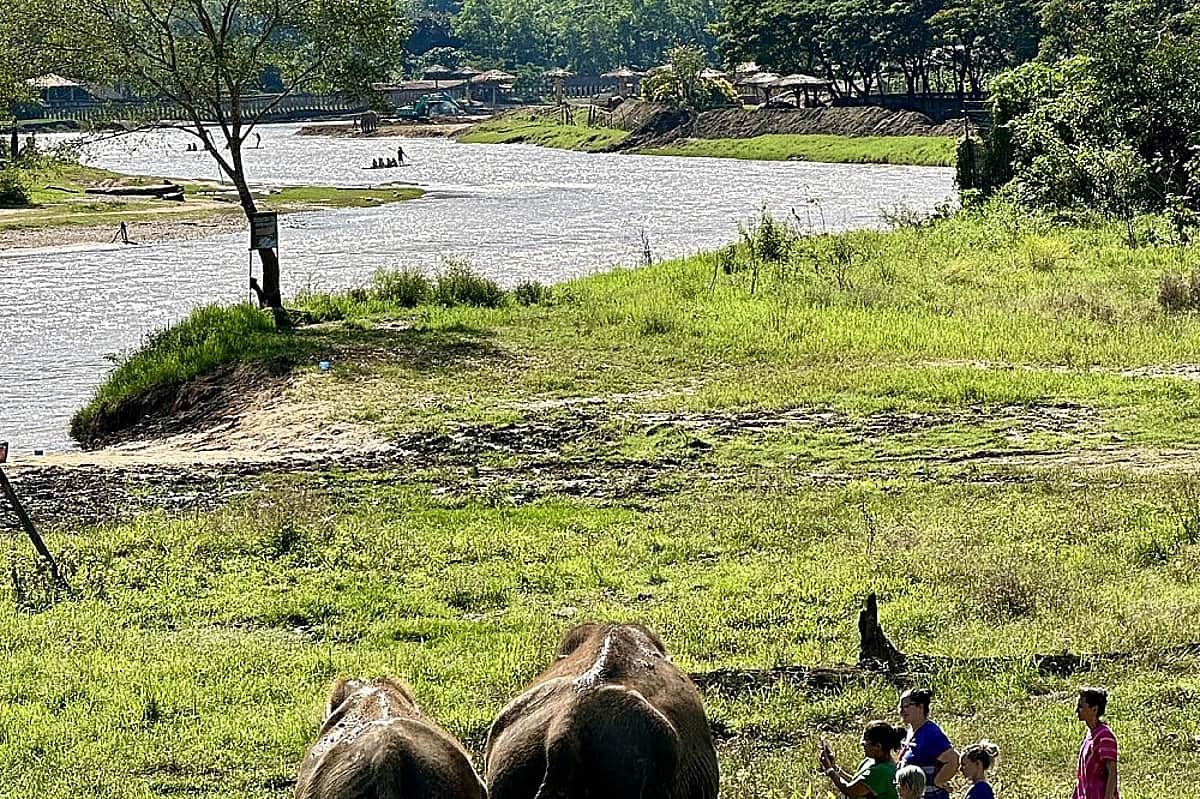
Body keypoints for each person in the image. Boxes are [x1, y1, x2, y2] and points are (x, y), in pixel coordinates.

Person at [898, 688, 959, 799]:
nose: (902, 711)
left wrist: (938, 781)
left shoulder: (930, 734)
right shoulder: (912, 731)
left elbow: (953, 760)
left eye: (906, 706)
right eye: (900, 707)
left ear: (920, 707)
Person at [819, 720, 906, 798]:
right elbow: (856, 783)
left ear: (878, 746)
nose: (861, 743)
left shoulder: (882, 771)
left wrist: (829, 770)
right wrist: (835, 768)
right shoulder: (869, 761)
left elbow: (849, 790)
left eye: (865, 741)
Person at [1074, 687, 1118, 799]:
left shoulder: (1105, 736)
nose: (1077, 711)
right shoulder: (1090, 735)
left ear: (1094, 709)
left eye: (1081, 707)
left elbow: (1112, 772)